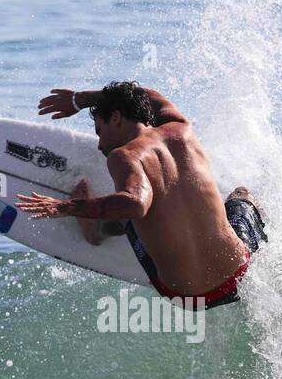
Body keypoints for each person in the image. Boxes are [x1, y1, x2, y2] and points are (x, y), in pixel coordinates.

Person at [15, 81, 266, 308]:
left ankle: (95, 231)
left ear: (116, 117)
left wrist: (67, 207)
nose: (100, 145)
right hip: (239, 276)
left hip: (189, 297)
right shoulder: (182, 129)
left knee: (129, 212)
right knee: (243, 195)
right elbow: (148, 94)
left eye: (99, 131)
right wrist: (80, 99)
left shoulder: (124, 155)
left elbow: (135, 204)